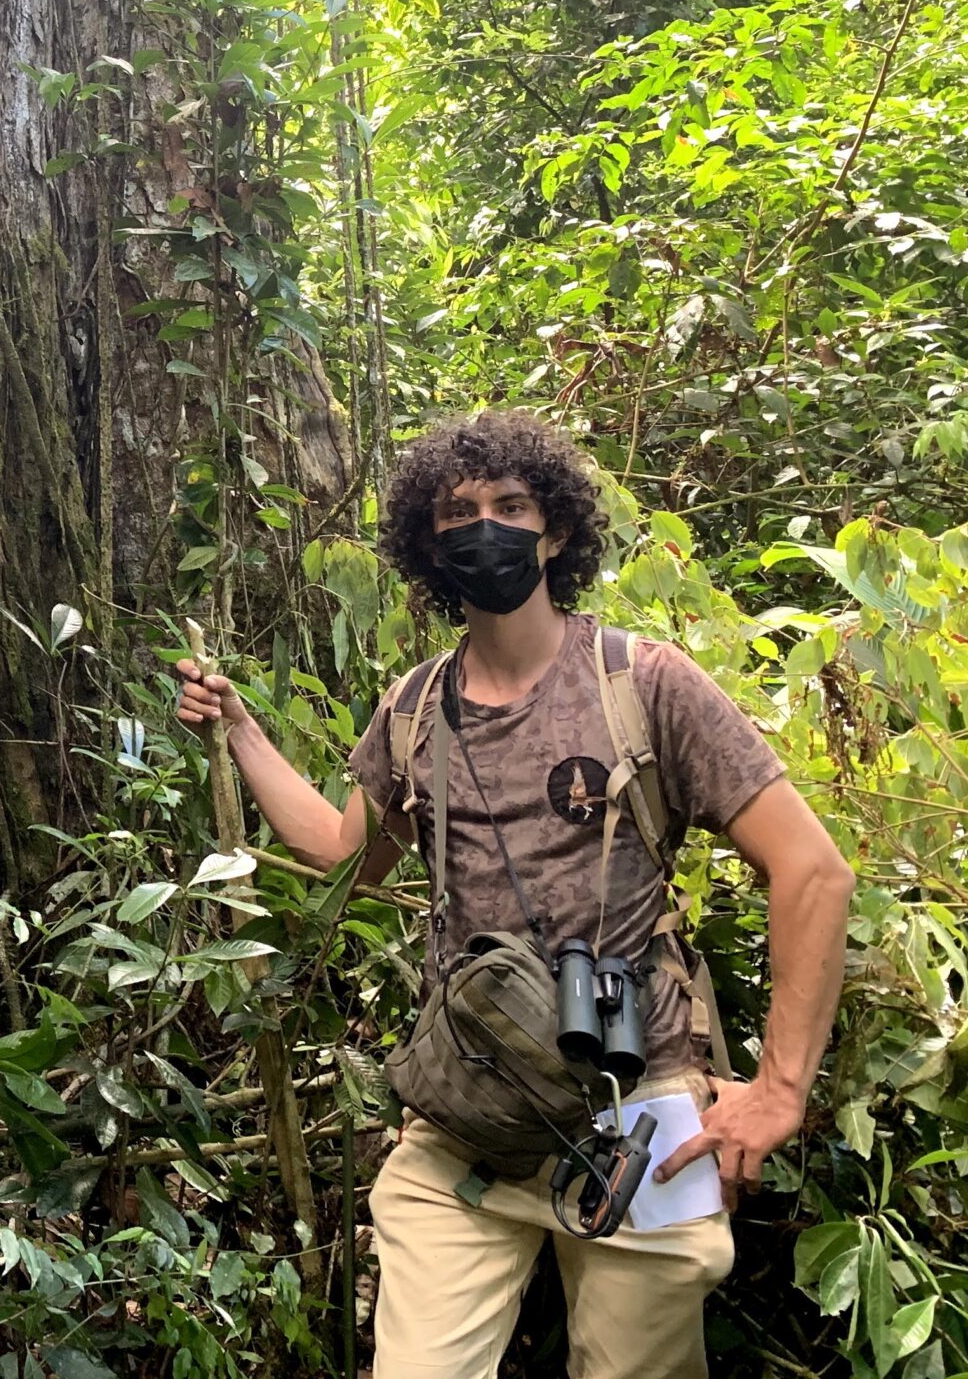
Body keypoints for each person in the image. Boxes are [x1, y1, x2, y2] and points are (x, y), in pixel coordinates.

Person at [177, 410, 852, 1379]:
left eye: (507, 505)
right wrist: (239, 727)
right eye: (456, 511)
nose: (481, 526)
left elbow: (812, 871)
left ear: (557, 530)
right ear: (428, 541)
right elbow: (335, 851)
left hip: (637, 1104)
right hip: (469, 1111)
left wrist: (779, 1090)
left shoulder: (641, 685)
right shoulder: (413, 713)